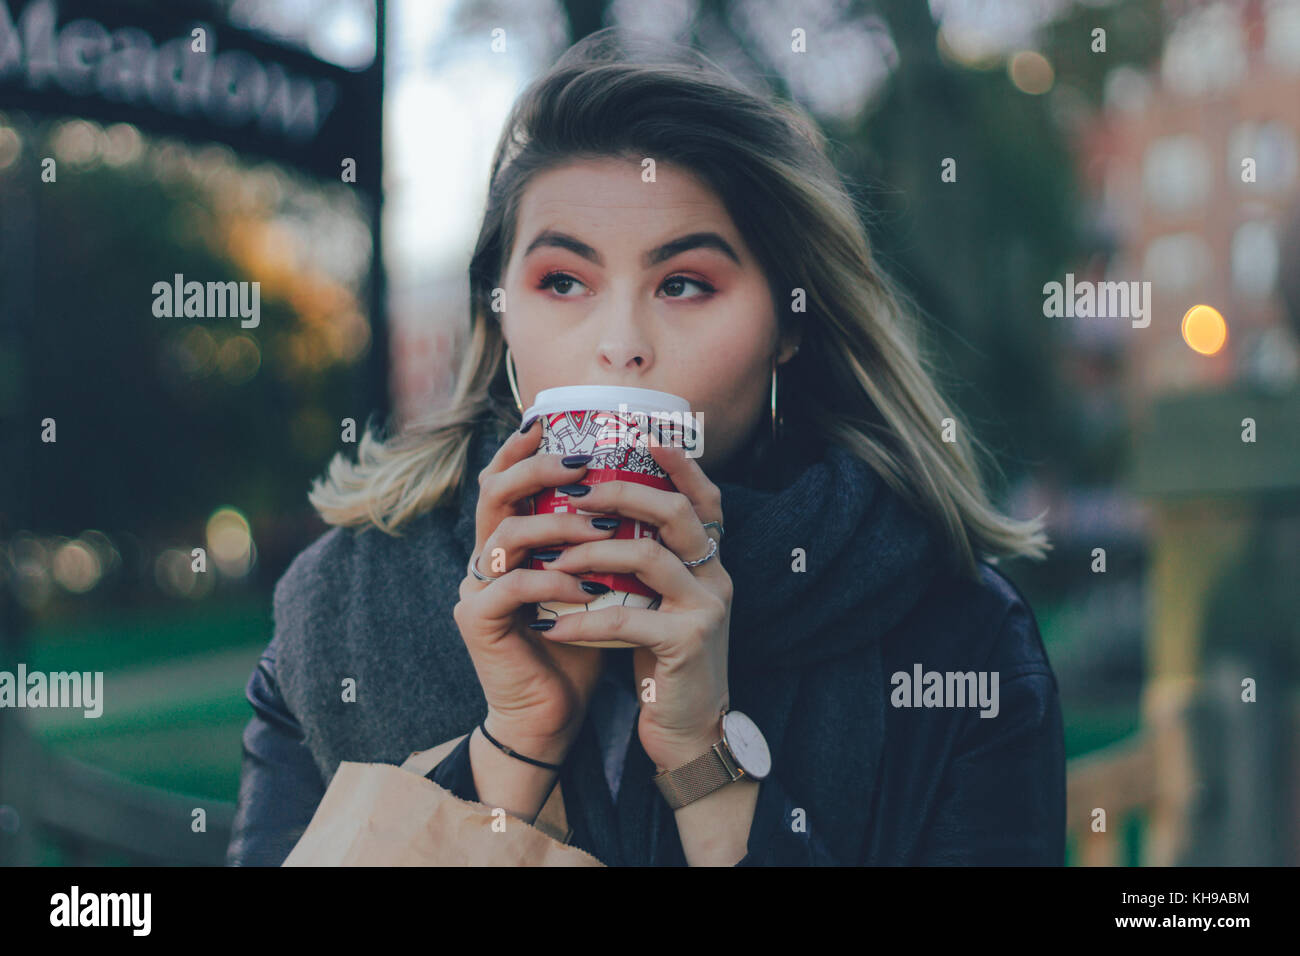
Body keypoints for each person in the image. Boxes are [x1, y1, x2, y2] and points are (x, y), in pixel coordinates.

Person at [226, 27, 1064, 867]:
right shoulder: (345, 607)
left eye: (685, 284)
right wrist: (512, 752)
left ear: (788, 327)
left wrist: (706, 762)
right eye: (563, 281)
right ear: (500, 316)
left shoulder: (954, 631)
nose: (621, 344)